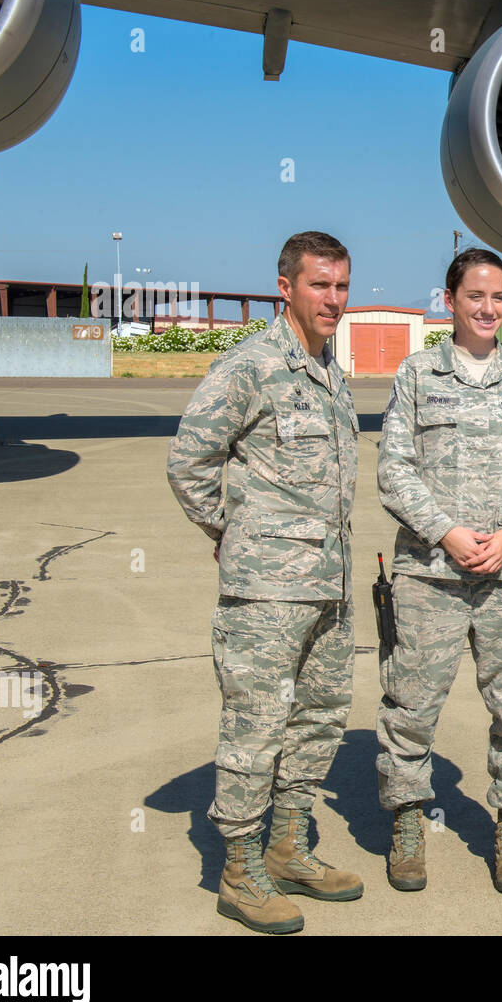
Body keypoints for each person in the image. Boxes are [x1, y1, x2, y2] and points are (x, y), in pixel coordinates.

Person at [167, 231, 362, 934]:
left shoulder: (331, 371)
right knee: (255, 728)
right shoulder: (249, 366)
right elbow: (189, 461)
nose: (333, 299)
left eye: (341, 286)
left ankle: (288, 847)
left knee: (318, 721)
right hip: (266, 596)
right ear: (286, 287)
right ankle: (240, 869)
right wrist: (232, 534)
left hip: (329, 591)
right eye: (320, 285)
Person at [376, 247, 502, 895]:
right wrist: (448, 533)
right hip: (430, 573)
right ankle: (406, 819)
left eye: (499, 297)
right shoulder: (418, 374)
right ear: (448, 299)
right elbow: (393, 470)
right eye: (476, 296)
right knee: (412, 705)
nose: (488, 309)